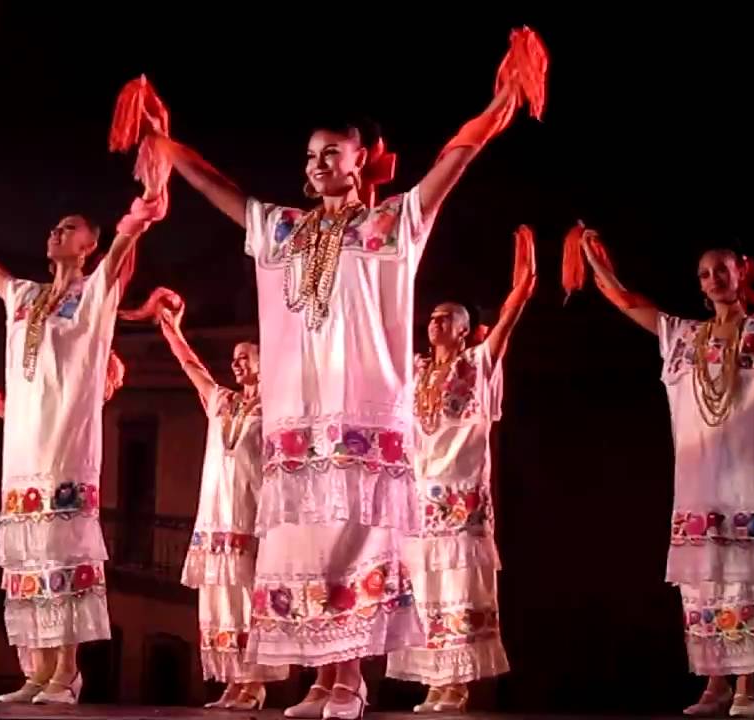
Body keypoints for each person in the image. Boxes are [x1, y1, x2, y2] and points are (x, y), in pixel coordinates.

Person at [152, 31, 546, 720]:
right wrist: (171, 146)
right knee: (309, 552)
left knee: (354, 546)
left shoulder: (392, 225)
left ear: (364, 161)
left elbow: (455, 157)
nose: (317, 164)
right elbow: (228, 194)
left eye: (331, 152)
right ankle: (324, 682)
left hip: (364, 414)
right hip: (299, 422)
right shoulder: (283, 232)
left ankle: (352, 683)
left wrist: (498, 104)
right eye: (310, 155)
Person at [577, 164, 754, 716]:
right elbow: (630, 302)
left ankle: (748, 690)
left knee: (748, 581)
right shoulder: (683, 338)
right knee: (707, 587)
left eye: (721, 269)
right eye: (703, 274)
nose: (711, 280)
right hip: (703, 486)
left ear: (742, 270)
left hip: (752, 483)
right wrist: (596, 265)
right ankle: (715, 685)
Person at [0, 196, 163, 705]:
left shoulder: (94, 295)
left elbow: (117, 259)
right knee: (31, 557)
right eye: (54, 225)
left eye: (68, 227)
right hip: (25, 450)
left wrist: (132, 226)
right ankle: (39, 669)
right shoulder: (25, 296)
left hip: (66, 446)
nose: (55, 231)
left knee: (63, 554)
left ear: (87, 245)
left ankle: (67, 672)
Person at [386, 227, 535, 713]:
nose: (435, 323)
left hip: (461, 495)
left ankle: (458, 684)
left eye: (447, 318)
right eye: (431, 317)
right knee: (426, 590)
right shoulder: (413, 374)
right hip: (419, 499)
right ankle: (436, 682)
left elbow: (510, 317)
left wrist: (525, 281)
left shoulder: (477, 363)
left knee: (459, 587)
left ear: (467, 329)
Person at [124, 290, 289, 708]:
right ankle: (233, 681)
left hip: (251, 518)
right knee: (219, 602)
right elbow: (191, 366)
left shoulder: (278, 409)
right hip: (216, 519)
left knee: (249, 599)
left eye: (246, 356)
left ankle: (254, 683)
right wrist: (172, 331)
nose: (236, 363)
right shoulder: (222, 402)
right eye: (233, 357)